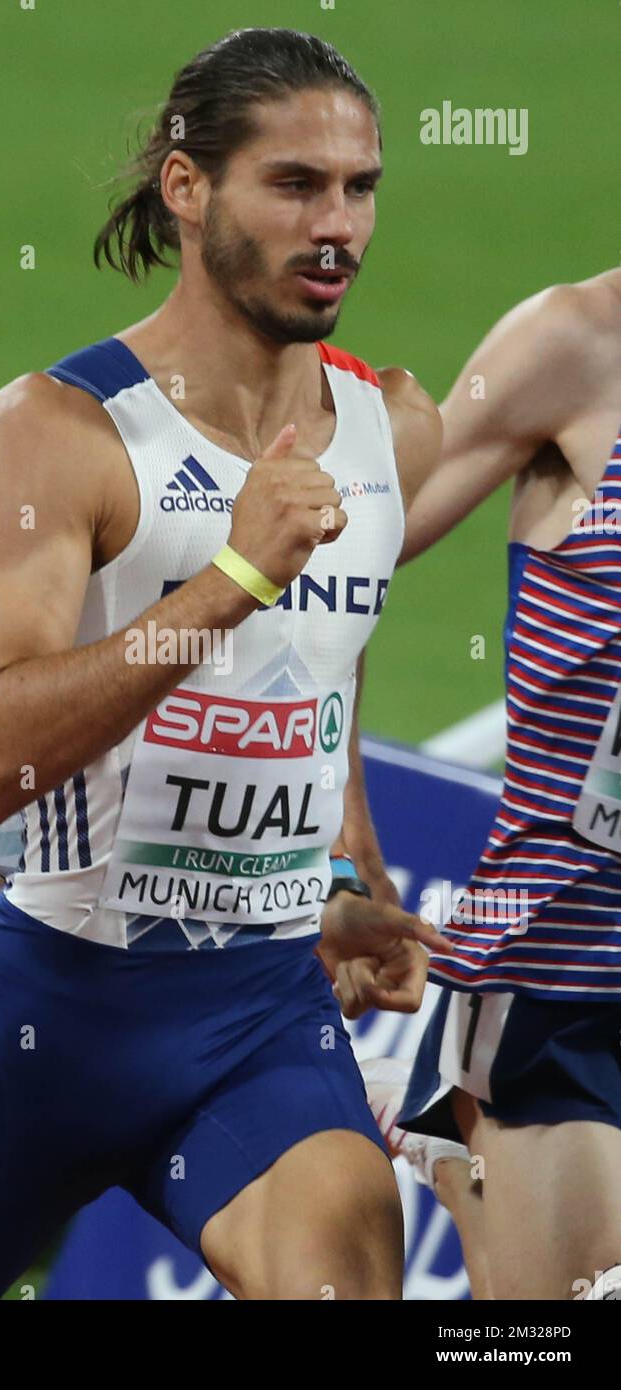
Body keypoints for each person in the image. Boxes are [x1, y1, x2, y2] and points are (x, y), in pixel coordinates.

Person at [0, 28, 446, 1302]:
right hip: (40, 1010)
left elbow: (328, 664)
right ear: (185, 188)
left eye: (358, 187)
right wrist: (234, 577)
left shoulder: (396, 425)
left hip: (257, 1020)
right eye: (292, 185)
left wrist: (341, 874)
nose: (336, 226)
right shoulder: (62, 433)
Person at [339, 270, 621, 1301]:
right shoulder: (577, 345)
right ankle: (443, 1131)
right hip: (569, 977)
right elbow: (327, 562)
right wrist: (338, 819)